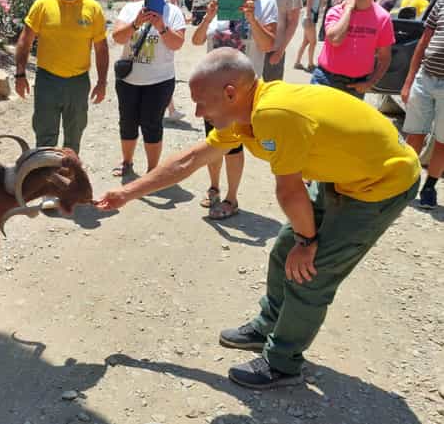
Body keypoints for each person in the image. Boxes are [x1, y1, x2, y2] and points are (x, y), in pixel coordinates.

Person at [97, 48, 420, 389]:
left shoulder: (273, 114)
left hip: (382, 183)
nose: (196, 111)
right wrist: (127, 193)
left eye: (201, 102)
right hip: (344, 174)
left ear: (230, 93)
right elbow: (189, 160)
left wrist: (308, 243)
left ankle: (283, 363)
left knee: (311, 273)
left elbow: (290, 192)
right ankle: (269, 324)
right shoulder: (244, 114)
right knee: (284, 252)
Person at [191, 0, 277, 219]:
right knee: (213, 140)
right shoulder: (220, 2)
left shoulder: (266, 3)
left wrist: (252, 18)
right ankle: (214, 187)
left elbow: (268, 44)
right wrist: (208, 16)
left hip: (242, 92)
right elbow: (197, 40)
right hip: (213, 90)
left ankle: (232, 198)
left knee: (234, 145)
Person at [15, 0, 109, 157]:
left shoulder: (93, 9)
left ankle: (68, 179)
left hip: (78, 83)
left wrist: (102, 82)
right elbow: (25, 41)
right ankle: (43, 178)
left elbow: (101, 48)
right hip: (47, 81)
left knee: (74, 138)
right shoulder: (42, 5)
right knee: (45, 138)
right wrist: (20, 75)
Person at [111, 0, 186, 177]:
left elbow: (177, 44)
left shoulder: (173, 12)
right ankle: (127, 162)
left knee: (152, 125)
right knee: (127, 122)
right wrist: (135, 23)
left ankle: (153, 171)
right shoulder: (129, 9)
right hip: (128, 80)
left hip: (159, 81)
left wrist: (161, 26)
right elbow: (117, 38)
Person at [312, 0, 393, 99]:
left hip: (357, 85)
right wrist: (348, 10)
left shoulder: (383, 18)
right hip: (326, 80)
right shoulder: (337, 11)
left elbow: (385, 57)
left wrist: (370, 82)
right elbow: (335, 40)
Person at [400, 0, 444, 209]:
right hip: (424, 78)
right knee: (414, 134)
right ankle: (404, 183)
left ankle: (429, 187)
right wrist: (409, 80)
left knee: (442, 142)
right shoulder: (442, 2)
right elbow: (424, 40)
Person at [257, 0, 302, 81]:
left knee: (272, 88)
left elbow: (293, 23)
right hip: (255, 48)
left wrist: (280, 51)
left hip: (274, 50)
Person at [166, 0, 192, 120]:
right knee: (165, 78)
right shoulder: (165, 2)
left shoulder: (174, 4)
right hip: (163, 45)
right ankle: (171, 111)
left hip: (168, 46)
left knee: (164, 78)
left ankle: (171, 110)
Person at [293, 0, 328, 71]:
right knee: (313, 42)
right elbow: (309, 2)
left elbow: (321, 5)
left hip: (311, 19)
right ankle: (310, 64)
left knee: (306, 42)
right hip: (309, 19)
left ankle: (297, 62)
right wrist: (309, 18)